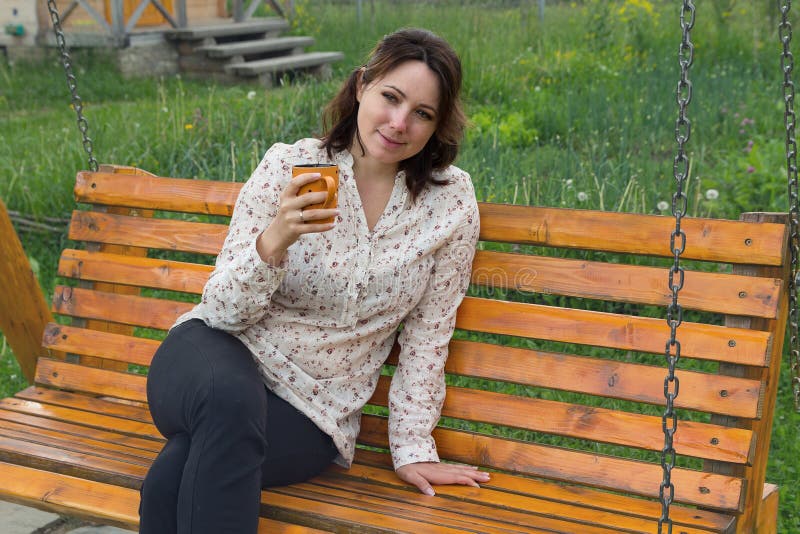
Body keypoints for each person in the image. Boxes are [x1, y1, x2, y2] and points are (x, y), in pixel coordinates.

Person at [139, 27, 486, 534]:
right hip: (214, 358)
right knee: (231, 404)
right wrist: (275, 239)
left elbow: (428, 335)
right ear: (362, 85)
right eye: (390, 97)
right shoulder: (290, 165)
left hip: (314, 413)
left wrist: (413, 447)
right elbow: (221, 311)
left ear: (437, 126)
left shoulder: (449, 204)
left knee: (178, 472)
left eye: (422, 114)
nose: (398, 123)